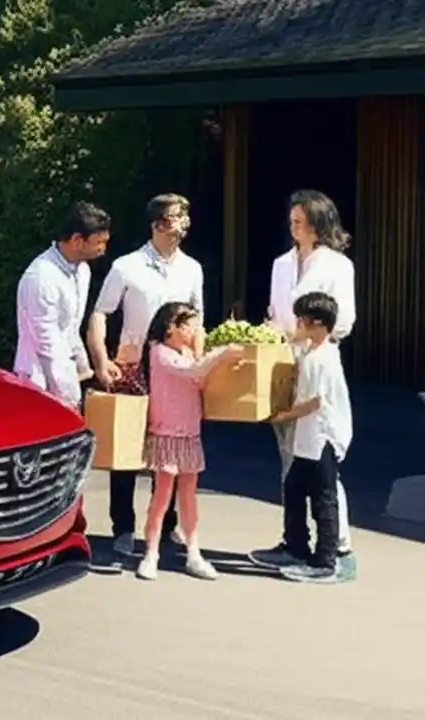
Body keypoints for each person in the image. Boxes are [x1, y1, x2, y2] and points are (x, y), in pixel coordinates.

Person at [87, 193, 204, 557]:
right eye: (176, 216)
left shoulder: (192, 268)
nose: (183, 223)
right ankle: (123, 526)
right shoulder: (127, 266)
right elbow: (101, 313)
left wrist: (198, 361)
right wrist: (101, 359)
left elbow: (197, 320)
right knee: (127, 448)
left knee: (171, 448)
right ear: (157, 224)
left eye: (185, 216)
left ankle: (166, 525)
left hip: (175, 370)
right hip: (133, 366)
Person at [248, 190, 357, 578]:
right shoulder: (281, 264)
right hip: (283, 362)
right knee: (290, 459)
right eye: (292, 220)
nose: (293, 226)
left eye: (301, 220)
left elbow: (344, 320)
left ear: (318, 224)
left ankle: (338, 545)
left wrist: (306, 335)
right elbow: (275, 312)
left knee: (322, 464)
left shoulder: (337, 265)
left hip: (315, 359)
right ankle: (294, 541)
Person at [133, 301, 244, 581]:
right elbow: (193, 372)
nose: (195, 331)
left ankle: (193, 553)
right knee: (161, 497)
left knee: (188, 496)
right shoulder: (159, 352)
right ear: (172, 327)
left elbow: (200, 377)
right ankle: (151, 553)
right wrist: (220, 353)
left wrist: (216, 360)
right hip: (166, 432)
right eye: (190, 326)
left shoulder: (186, 353)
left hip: (190, 432)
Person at [263, 292, 353, 584]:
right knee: (294, 487)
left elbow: (315, 402)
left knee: (323, 498)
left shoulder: (322, 359)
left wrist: (283, 416)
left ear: (316, 324)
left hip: (322, 438)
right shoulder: (314, 352)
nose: (296, 325)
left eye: (301, 320)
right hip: (309, 437)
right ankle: (296, 547)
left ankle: (325, 561)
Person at [13, 201, 111, 409]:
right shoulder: (41, 277)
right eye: (99, 242)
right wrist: (68, 394)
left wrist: (84, 369)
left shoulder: (82, 271)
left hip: (67, 374)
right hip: (38, 378)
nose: (103, 249)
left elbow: (71, 328)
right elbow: (47, 343)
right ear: (77, 240)